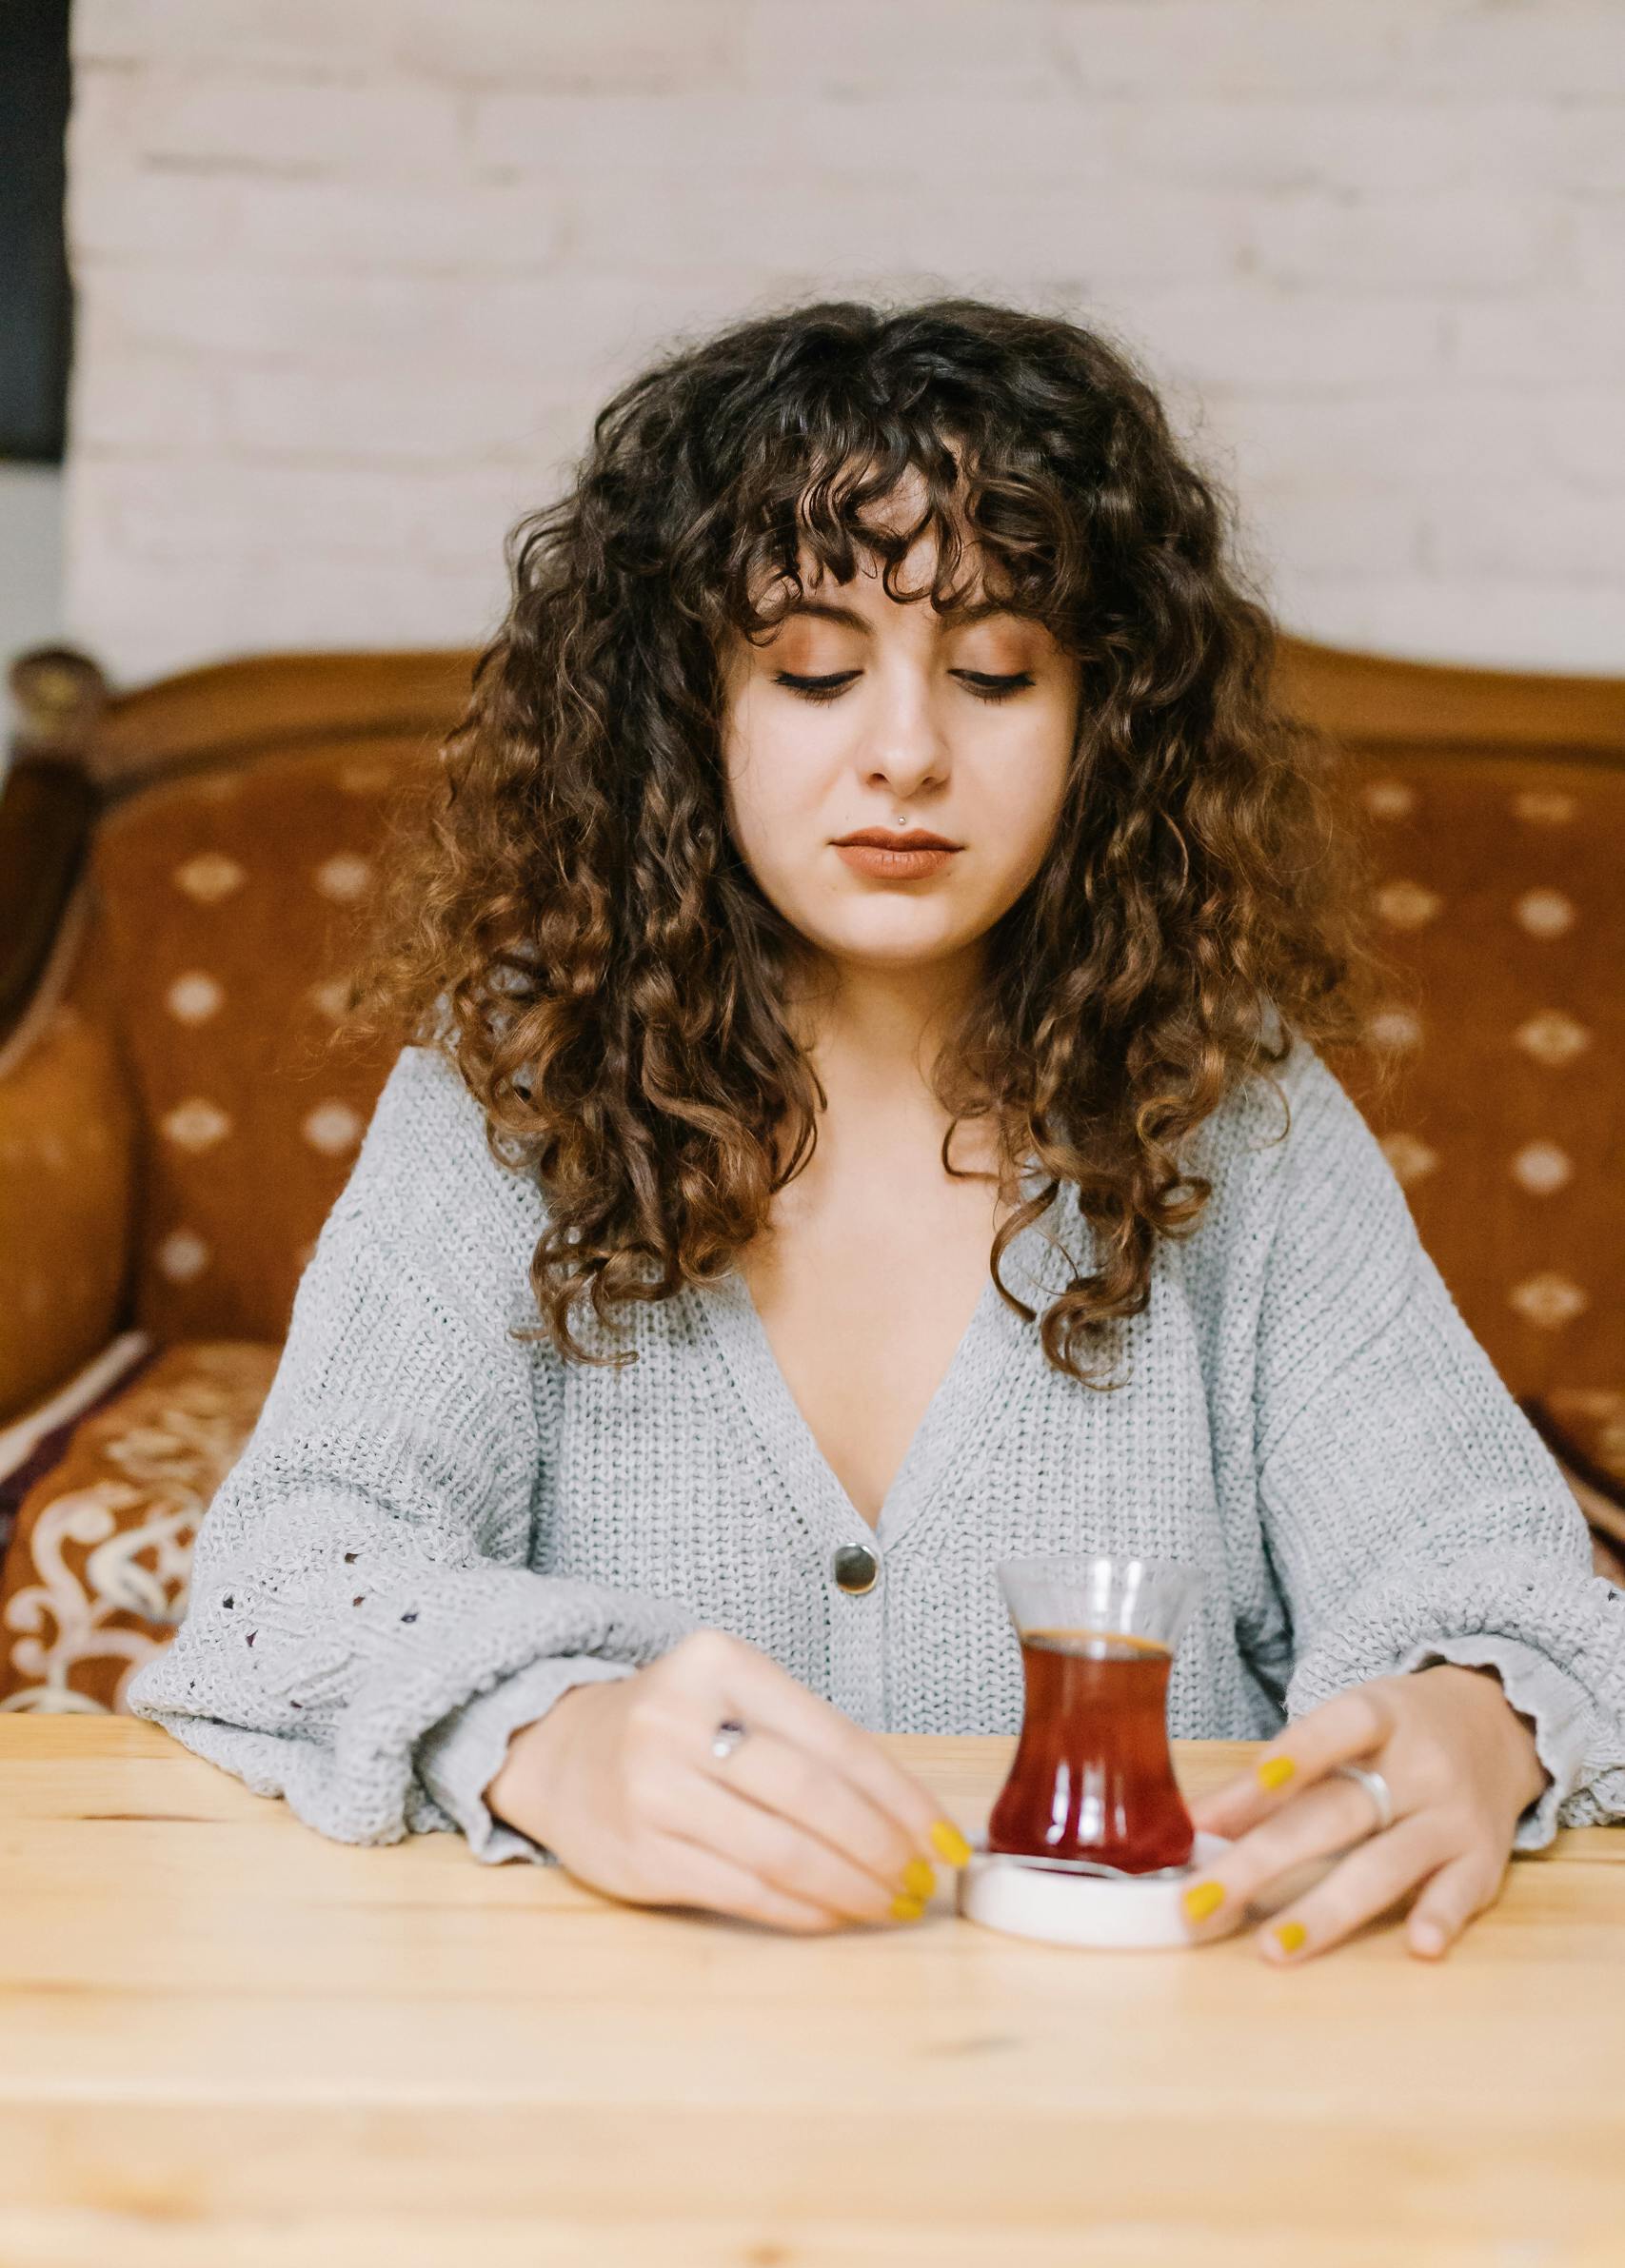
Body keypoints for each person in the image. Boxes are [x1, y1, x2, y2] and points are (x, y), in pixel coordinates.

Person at [125, 295, 1625, 1967]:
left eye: (995, 673)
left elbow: (1486, 1566)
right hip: (615, 2090)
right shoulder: (514, 1089)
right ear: (689, 714)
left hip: (1155, 2090)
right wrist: (551, 1737)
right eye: (816, 670)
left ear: (1102, 726)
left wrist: (1479, 1720)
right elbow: (288, 1576)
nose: (906, 753)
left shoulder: (1238, 1110)